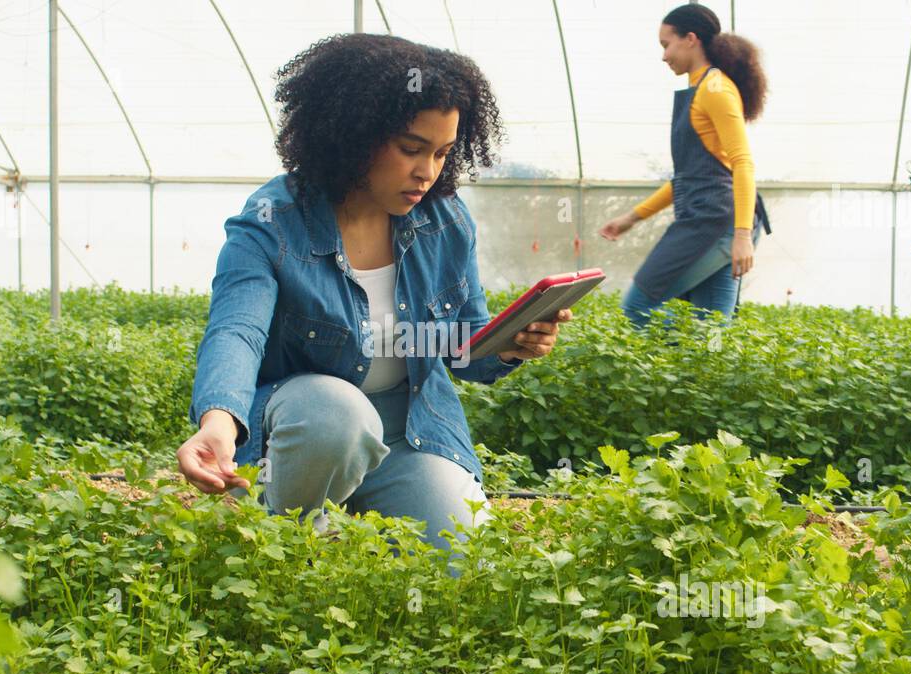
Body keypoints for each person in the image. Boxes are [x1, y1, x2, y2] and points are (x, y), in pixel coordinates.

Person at [177, 33, 573, 560]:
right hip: (306, 428)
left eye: (442, 152)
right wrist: (219, 421)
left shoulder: (445, 220)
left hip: (408, 429)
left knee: (458, 559)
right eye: (411, 149)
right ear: (354, 135)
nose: (427, 172)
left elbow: (462, 350)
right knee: (337, 414)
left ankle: (359, 505)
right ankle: (284, 537)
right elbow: (237, 330)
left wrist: (506, 345)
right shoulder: (274, 223)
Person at [599, 3, 773, 327]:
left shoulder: (716, 89)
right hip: (708, 216)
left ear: (690, 39)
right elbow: (689, 177)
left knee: (638, 306)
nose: (664, 56)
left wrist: (742, 236)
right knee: (710, 331)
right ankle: (699, 371)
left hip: (718, 220)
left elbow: (743, 163)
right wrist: (631, 218)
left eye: (667, 44)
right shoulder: (700, 89)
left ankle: (677, 365)